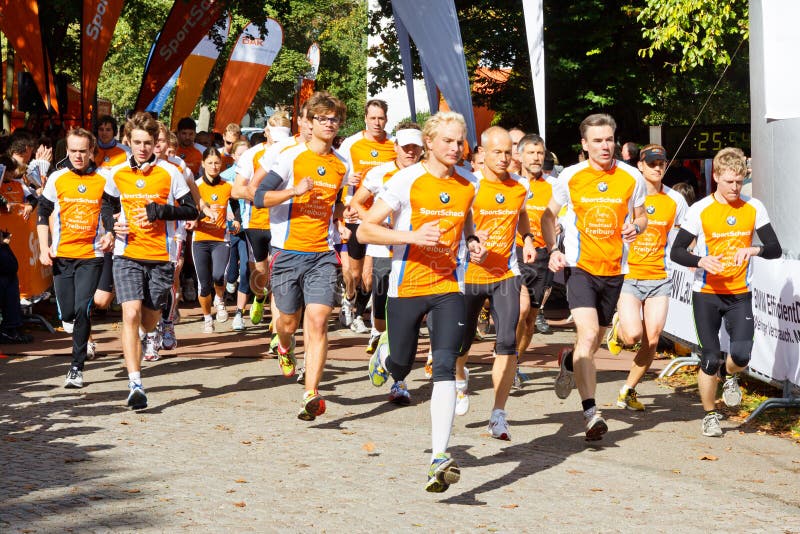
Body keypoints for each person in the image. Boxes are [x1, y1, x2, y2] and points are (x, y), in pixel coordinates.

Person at [358, 111, 485, 493]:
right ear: (429, 143)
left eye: (459, 141)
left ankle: (439, 457)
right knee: (401, 365)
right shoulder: (406, 179)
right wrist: (412, 236)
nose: (455, 148)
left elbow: (466, 224)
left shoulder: (469, 183)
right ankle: (384, 353)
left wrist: (474, 242)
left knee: (445, 364)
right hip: (406, 286)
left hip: (449, 285)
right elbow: (365, 230)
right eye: (447, 141)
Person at [542, 113, 648, 441]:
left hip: (615, 270)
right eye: (598, 140)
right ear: (585, 144)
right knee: (587, 334)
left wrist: (636, 227)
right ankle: (591, 413)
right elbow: (548, 215)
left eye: (609, 139)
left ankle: (569, 363)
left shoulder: (632, 177)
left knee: (595, 339)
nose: (605, 145)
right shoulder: (570, 176)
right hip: (579, 267)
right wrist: (552, 248)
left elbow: (642, 216)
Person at [250, 91, 349, 421]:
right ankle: (283, 343)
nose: (330, 124)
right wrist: (294, 191)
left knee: (319, 322)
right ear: (311, 121)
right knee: (289, 322)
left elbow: (337, 203)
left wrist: (342, 222)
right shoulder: (291, 157)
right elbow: (259, 197)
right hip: (288, 252)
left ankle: (311, 392)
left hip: (322, 253)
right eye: (323, 118)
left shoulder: (341, 164)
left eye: (335, 119)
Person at [670, 147, 781, 437]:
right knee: (709, 358)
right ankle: (710, 414)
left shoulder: (753, 207)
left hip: (739, 292)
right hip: (706, 292)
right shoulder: (700, 209)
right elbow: (677, 251)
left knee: (742, 355)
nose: (735, 187)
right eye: (730, 181)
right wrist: (700, 260)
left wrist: (753, 248)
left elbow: (775, 248)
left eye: (740, 181)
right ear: (716, 176)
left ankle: (727, 375)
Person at [102, 112, 198, 410]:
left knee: (149, 316)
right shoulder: (117, 173)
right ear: (128, 142)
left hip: (161, 256)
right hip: (127, 253)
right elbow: (106, 203)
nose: (142, 148)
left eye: (148, 143)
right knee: (129, 314)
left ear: (156, 142)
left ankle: (148, 332)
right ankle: (135, 384)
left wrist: (160, 212)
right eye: (137, 143)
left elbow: (192, 210)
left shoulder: (170, 173)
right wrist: (110, 225)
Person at [453, 126, 535, 441]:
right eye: (497, 152)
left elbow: (523, 214)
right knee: (462, 342)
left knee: (506, 344)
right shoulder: (468, 185)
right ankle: (461, 378)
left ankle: (498, 414)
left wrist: (526, 238)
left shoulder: (519, 187)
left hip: (505, 274)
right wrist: (468, 244)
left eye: (507, 152)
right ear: (482, 154)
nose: (504, 158)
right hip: (469, 275)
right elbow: (453, 223)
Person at [605, 145, 688, 410]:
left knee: (652, 339)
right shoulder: (627, 195)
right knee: (632, 336)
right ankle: (618, 331)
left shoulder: (675, 200)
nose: (657, 167)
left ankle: (628, 389)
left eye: (661, 163)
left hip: (659, 277)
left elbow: (686, 236)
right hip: (629, 276)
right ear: (640, 165)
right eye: (651, 163)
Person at [37, 128, 114, 387]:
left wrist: (111, 232)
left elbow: (114, 208)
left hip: (91, 256)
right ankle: (79, 337)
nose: (78, 156)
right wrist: (42, 247)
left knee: (83, 309)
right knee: (67, 313)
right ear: (67, 151)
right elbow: (42, 213)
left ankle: (75, 367)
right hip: (62, 255)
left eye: (83, 151)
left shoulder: (105, 177)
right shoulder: (57, 178)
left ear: (92, 151)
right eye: (73, 151)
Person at [347, 121, 424, 354]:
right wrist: (374, 220)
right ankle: (379, 335)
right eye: (406, 146)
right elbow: (355, 203)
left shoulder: (429, 174)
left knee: (411, 305)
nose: (411, 151)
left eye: (416, 147)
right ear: (396, 146)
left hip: (417, 252)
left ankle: (400, 349)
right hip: (384, 249)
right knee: (379, 309)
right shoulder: (379, 173)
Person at [338, 99, 396, 333]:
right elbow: (336, 170)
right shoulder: (352, 143)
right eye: (372, 118)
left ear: (386, 119)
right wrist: (346, 181)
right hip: (355, 212)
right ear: (365, 119)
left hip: (381, 216)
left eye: (380, 118)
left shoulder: (394, 144)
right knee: (353, 273)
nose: (377, 122)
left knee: (369, 277)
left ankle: (359, 313)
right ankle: (349, 298)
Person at [187, 147, 240, 333]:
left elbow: (235, 204)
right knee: (204, 283)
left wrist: (237, 220)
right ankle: (207, 318)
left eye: (217, 162)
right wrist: (197, 218)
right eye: (210, 162)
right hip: (200, 239)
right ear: (203, 164)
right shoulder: (197, 185)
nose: (214, 166)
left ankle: (220, 300)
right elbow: (190, 209)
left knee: (218, 275)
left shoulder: (227, 185)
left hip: (220, 238)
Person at [515, 134, 557, 359]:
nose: (536, 157)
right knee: (519, 311)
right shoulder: (510, 183)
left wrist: (559, 228)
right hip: (515, 253)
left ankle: (515, 363)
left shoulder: (553, 186)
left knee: (530, 317)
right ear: (519, 155)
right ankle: (507, 355)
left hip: (540, 256)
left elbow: (564, 216)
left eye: (540, 153)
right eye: (531, 153)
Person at [0, 155, 34, 344]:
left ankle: (11, 327)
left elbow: (34, 199)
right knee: (9, 273)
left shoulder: (16, 184)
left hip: (5, 239)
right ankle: (10, 327)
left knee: (10, 275)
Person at [221, 139, 251, 331]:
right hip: (231, 224)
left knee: (246, 267)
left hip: (249, 225)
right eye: (240, 154)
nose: (244, 158)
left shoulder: (255, 174)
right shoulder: (226, 176)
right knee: (232, 265)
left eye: (247, 154)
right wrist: (230, 218)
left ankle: (239, 313)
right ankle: (230, 280)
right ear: (233, 156)